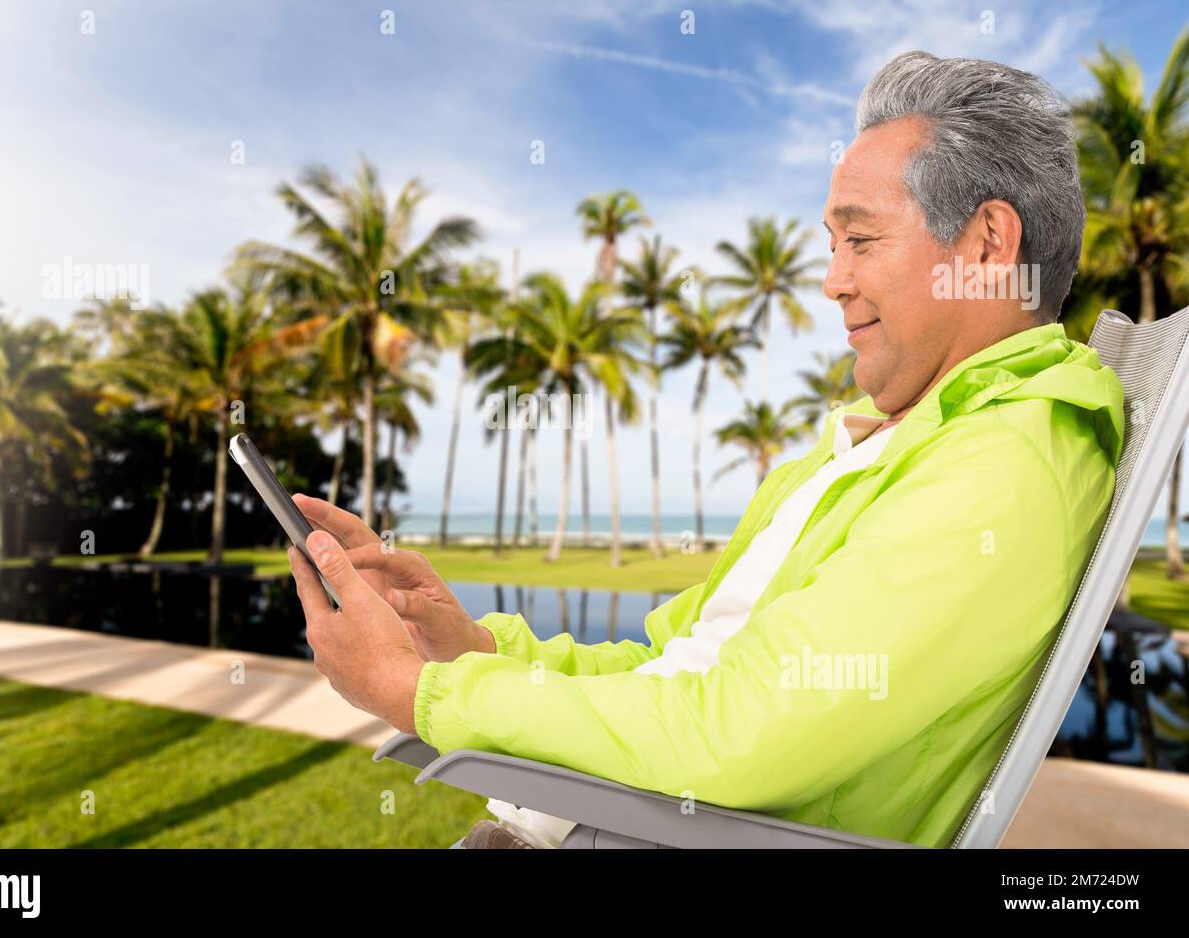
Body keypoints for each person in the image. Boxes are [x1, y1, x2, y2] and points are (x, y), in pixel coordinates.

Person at [285, 50, 1124, 849]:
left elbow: (732, 735)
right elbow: (666, 656)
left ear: (986, 246)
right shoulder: (874, 447)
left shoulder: (1004, 464)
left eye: (860, 241)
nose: (831, 279)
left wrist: (415, 692)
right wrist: (472, 647)